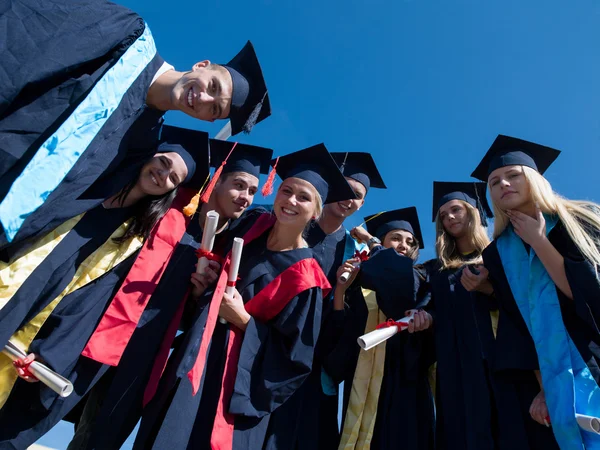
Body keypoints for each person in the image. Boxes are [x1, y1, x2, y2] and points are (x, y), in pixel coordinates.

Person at [0, 0, 271, 257]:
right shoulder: (127, 36)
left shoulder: (143, 142)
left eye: (214, 109)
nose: (203, 99)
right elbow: (20, 36)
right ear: (201, 65)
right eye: (213, 86)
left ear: (208, 121)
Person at [133, 143, 356, 450]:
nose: (290, 201)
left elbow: (295, 360)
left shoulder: (308, 279)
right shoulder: (252, 226)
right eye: (286, 190)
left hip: (236, 387)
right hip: (194, 353)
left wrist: (245, 320)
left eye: (303, 197)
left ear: (315, 212)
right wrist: (203, 288)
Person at [0, 127, 210, 447]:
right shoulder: (88, 187)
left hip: (37, 328)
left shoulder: (134, 237)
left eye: (174, 177)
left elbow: (90, 301)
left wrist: (54, 353)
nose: (164, 174)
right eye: (164, 162)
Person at [64, 139, 274, 450]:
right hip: (103, 325)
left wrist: (198, 295)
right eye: (239, 185)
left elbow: (191, 319)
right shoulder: (171, 207)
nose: (245, 197)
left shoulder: (228, 246)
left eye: (252, 192)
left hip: (149, 350)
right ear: (216, 179)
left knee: (100, 435)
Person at [472, 134, 600, 448]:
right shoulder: (497, 254)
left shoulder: (581, 217)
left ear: (534, 179)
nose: (502, 184)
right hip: (551, 377)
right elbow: (517, 324)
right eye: (494, 182)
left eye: (513, 175)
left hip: (592, 352)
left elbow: (588, 296)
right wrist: (545, 388)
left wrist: (539, 241)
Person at [326, 207, 435, 450]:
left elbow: (395, 277)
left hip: (405, 376)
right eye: (396, 238)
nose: (404, 245)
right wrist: (341, 291)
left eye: (410, 241)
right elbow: (340, 330)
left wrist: (371, 241)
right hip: (362, 378)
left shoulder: (422, 277)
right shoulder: (360, 282)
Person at [419, 181, 511, 450]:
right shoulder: (436, 270)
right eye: (444, 215)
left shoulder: (499, 255)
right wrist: (424, 315)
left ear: (472, 211)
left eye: (456, 210)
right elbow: (432, 307)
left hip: (495, 359)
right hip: (454, 366)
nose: (449, 217)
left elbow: (520, 303)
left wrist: (489, 289)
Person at [304, 152, 385, 447]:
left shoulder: (354, 251)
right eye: (345, 187)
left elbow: (348, 317)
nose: (349, 197)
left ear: (363, 205)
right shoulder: (292, 227)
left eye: (358, 196)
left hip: (318, 360)